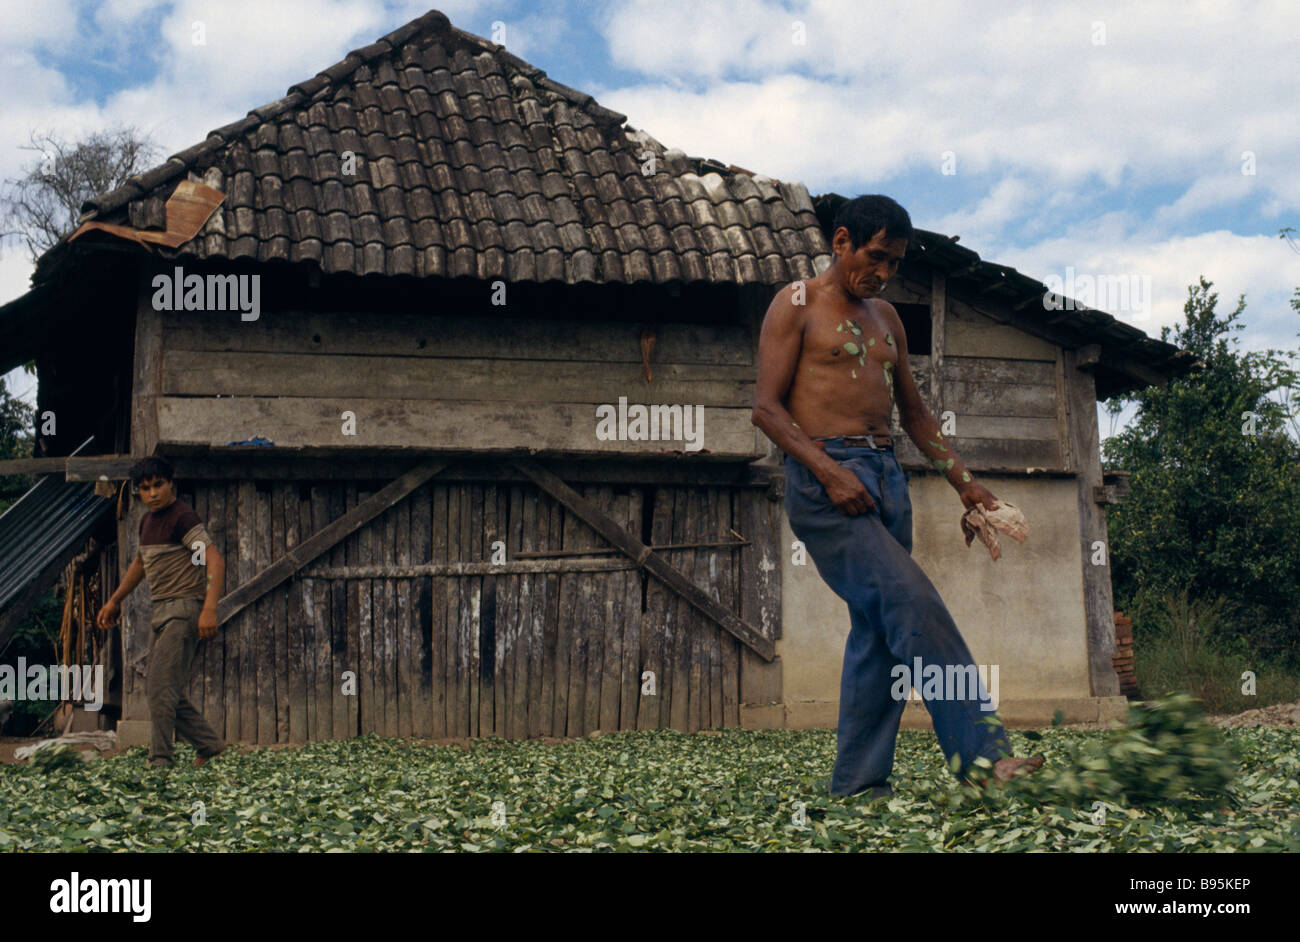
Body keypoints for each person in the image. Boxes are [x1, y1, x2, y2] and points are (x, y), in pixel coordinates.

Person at [751, 194, 1043, 797]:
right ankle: (985, 758)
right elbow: (766, 409)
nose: (882, 272)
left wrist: (966, 485)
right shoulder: (795, 304)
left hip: (885, 477)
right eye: (875, 256)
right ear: (841, 242)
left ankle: (858, 787)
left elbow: (915, 414)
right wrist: (829, 473)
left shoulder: (887, 318)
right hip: (827, 480)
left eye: (894, 263)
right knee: (915, 604)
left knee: (878, 637)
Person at [97, 457, 226, 768]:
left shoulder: (182, 517)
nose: (152, 493)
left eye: (158, 485)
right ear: (138, 492)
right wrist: (115, 600)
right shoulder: (147, 522)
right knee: (161, 686)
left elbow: (215, 560)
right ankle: (209, 744)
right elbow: (140, 564)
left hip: (184, 608)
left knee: (158, 688)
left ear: (171, 483)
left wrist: (209, 609)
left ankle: (160, 761)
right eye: (145, 488)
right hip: (161, 610)